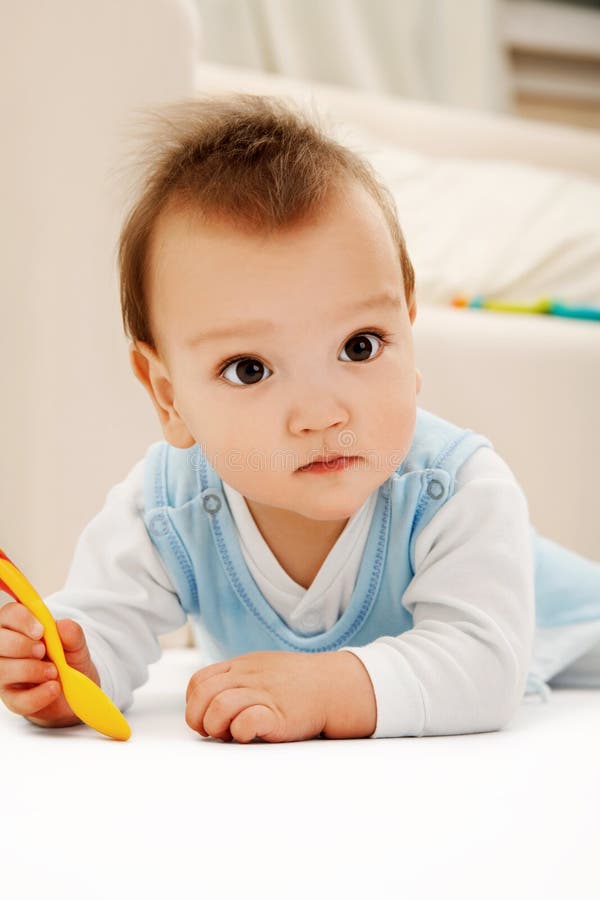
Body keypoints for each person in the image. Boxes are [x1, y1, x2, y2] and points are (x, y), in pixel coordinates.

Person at [1, 93, 599, 743]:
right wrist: (66, 669)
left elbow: (484, 667)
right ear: (169, 397)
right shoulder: (170, 506)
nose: (320, 414)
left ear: (409, 334)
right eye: (250, 369)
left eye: (360, 346)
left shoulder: (455, 488)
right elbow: (105, 622)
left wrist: (327, 688)